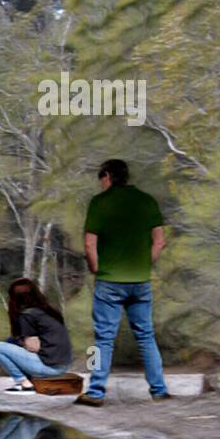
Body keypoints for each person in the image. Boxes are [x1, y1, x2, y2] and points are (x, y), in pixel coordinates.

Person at [75, 160, 170, 407]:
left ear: (107, 176)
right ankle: (159, 390)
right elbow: (160, 241)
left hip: (109, 281)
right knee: (146, 336)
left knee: (104, 339)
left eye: (101, 178)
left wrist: (96, 267)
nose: (101, 184)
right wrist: (143, 265)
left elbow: (89, 244)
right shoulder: (147, 201)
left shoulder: (100, 202)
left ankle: (96, 393)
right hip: (140, 281)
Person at [0, 278, 73, 392]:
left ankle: (24, 384)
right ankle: (27, 381)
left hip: (49, 368)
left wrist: (21, 343)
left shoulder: (28, 314)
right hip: (62, 366)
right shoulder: (47, 311)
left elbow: (34, 347)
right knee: (9, 342)